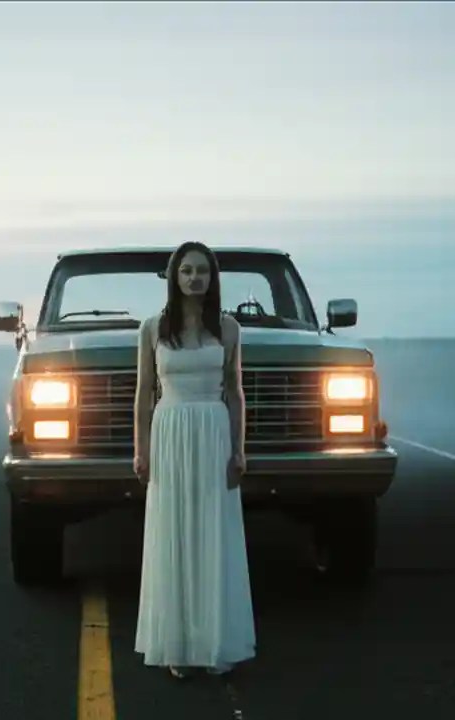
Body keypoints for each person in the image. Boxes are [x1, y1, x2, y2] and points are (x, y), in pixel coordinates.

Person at [132, 241, 257, 680]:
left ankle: (213, 641)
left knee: (213, 531)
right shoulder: (152, 328)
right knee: (174, 530)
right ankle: (177, 644)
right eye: (186, 271)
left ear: (212, 277)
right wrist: (141, 449)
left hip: (213, 431)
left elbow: (235, 391)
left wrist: (239, 450)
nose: (193, 278)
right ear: (174, 276)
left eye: (201, 271)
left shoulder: (228, 328)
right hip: (170, 431)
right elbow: (144, 393)